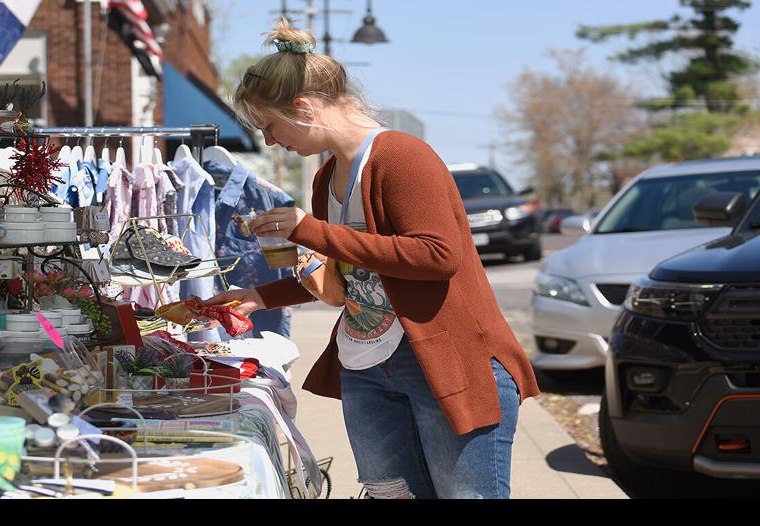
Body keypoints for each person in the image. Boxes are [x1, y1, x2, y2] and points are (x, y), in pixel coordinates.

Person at [197, 20, 540, 499]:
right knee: (391, 494)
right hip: (366, 366)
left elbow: (437, 256)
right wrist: (259, 296)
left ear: (303, 106)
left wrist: (310, 230)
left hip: (444, 362)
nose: (271, 141)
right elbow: (347, 275)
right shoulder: (326, 179)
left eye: (269, 126)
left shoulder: (401, 156)